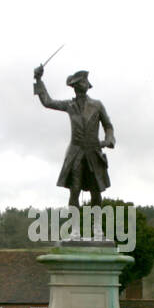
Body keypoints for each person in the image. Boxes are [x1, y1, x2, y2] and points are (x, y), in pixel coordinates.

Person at [33, 66, 116, 207]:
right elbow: (48, 102)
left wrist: (108, 139)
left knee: (96, 191)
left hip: (93, 151)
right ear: (76, 86)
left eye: (85, 81)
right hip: (76, 152)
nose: (85, 83)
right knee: (75, 190)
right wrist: (39, 79)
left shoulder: (97, 105)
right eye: (82, 81)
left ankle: (96, 225)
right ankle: (75, 226)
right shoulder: (70, 105)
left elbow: (108, 126)